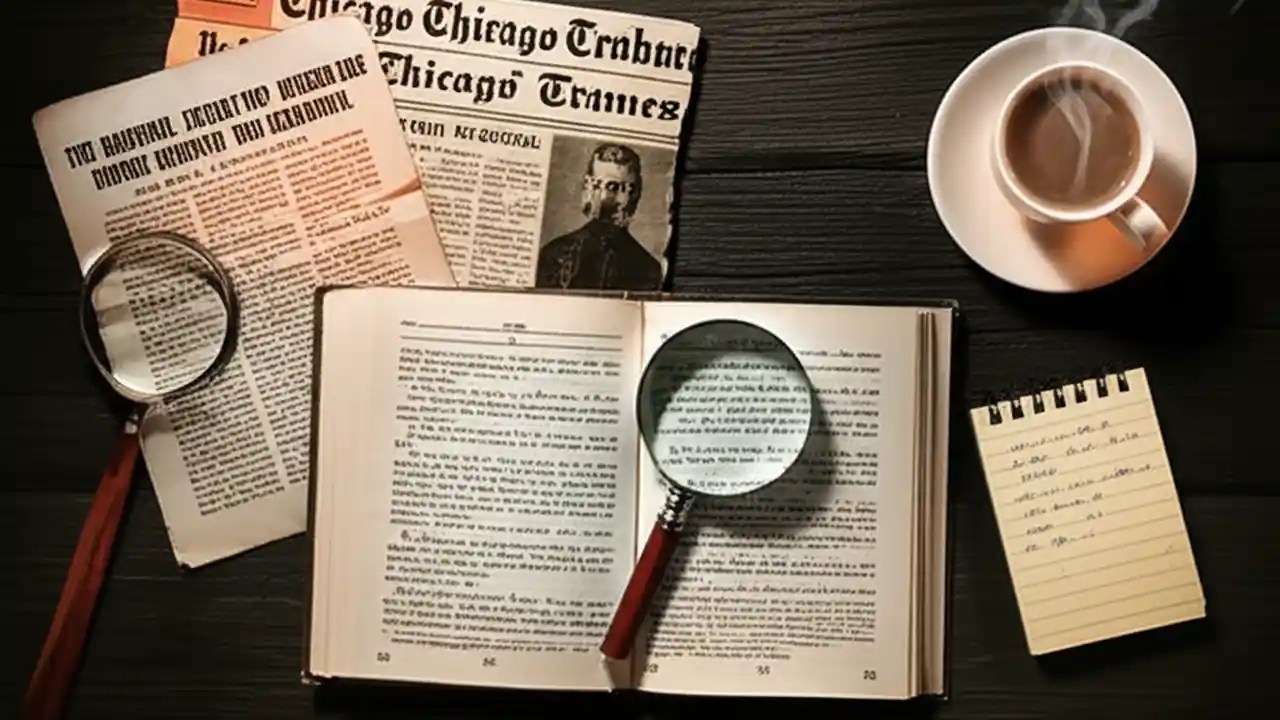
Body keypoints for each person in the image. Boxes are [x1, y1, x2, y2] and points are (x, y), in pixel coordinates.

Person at [535, 143, 663, 290]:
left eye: (629, 189)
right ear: (589, 187)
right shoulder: (554, 254)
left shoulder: (648, 269)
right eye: (612, 187)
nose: (623, 199)